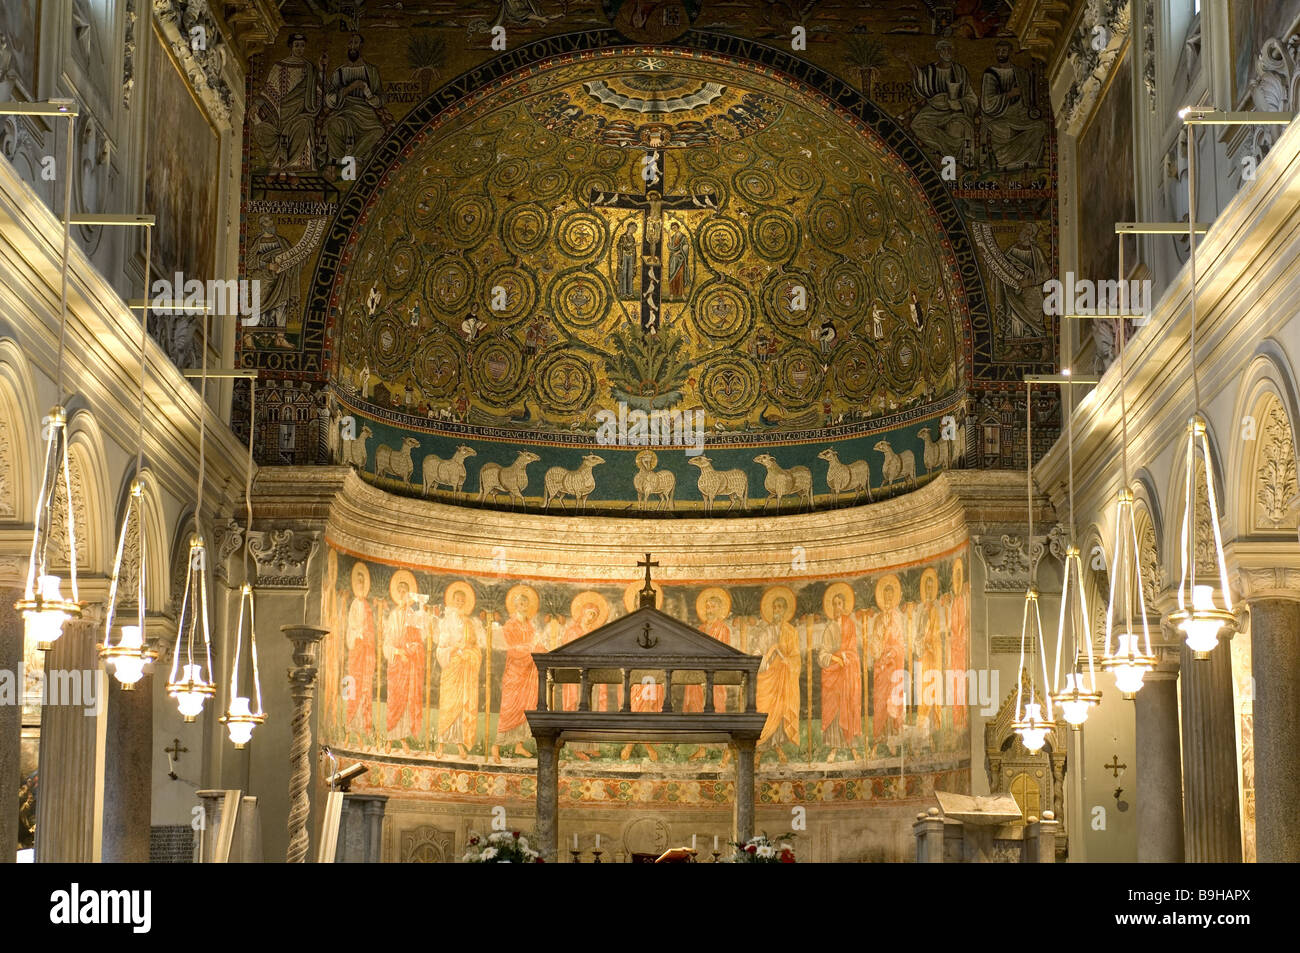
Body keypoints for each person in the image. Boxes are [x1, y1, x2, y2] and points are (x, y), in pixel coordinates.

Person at [250, 33, 322, 172]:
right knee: (266, 129)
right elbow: (269, 89)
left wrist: (322, 70)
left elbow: (317, 89)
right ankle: (279, 164)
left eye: (302, 46)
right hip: (281, 112)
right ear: (291, 46)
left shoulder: (310, 68)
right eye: (296, 45)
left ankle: (292, 166)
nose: (299, 49)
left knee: (304, 124)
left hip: (302, 112)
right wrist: (257, 104)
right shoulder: (279, 66)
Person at [904, 38, 977, 162]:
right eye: (943, 49)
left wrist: (960, 104)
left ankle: (952, 158)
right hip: (934, 109)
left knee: (957, 129)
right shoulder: (931, 70)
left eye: (949, 49)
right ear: (939, 52)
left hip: (954, 110)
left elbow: (969, 95)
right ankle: (942, 149)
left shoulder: (960, 71)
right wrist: (908, 61)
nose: (947, 52)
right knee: (916, 125)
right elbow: (920, 78)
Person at [433, 587, 483, 759]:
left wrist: (470, 654)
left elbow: (475, 647)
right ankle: (440, 744)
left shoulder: (470, 623)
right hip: (451, 668)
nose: (460, 603)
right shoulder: (446, 622)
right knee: (447, 705)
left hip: (465, 670)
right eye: (457, 600)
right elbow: (441, 649)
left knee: (462, 706)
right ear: (451, 602)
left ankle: (459, 745)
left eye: (462, 601)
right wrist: (455, 650)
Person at [322, 33, 387, 166]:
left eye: (356, 43)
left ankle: (353, 156)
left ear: (361, 46)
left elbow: (380, 97)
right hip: (344, 110)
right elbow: (329, 99)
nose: (353, 46)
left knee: (378, 131)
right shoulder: (339, 72)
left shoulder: (371, 71)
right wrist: (350, 88)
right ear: (347, 45)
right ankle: (336, 160)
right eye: (350, 43)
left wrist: (372, 98)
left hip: (365, 113)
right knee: (334, 125)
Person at [980, 40, 1045, 171]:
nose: (1001, 53)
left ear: (1010, 52)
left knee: (1039, 126)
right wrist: (1009, 94)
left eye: (1004, 50)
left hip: (1019, 114)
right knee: (1006, 132)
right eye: (998, 51)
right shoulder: (990, 73)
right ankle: (1004, 162)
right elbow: (987, 103)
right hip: (998, 115)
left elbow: (1028, 98)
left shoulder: (1020, 72)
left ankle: (1029, 160)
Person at [493, 590, 540, 760]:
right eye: (521, 603)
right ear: (515, 605)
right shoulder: (509, 625)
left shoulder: (530, 625)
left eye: (526, 604)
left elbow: (535, 643)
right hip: (514, 671)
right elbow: (511, 649)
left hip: (527, 672)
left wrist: (538, 648)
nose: (524, 606)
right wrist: (529, 649)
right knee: (508, 709)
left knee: (525, 708)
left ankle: (519, 745)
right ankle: (496, 746)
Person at [756, 596, 801, 764]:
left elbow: (796, 657)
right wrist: (767, 656)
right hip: (767, 678)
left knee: (780, 711)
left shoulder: (791, 632)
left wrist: (788, 662)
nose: (777, 610)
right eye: (774, 607)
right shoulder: (766, 632)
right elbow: (758, 652)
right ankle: (760, 750)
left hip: (783, 677)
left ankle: (778, 748)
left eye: (780, 607)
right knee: (764, 711)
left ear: (785, 610)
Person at [819, 591, 861, 763]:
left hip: (847, 673)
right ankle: (834, 748)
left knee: (849, 706)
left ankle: (853, 748)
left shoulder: (850, 625)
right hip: (833, 673)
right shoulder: (829, 628)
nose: (837, 607)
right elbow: (822, 654)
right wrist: (835, 658)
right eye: (834, 604)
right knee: (834, 708)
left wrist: (846, 657)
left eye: (839, 603)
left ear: (844, 606)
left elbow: (852, 650)